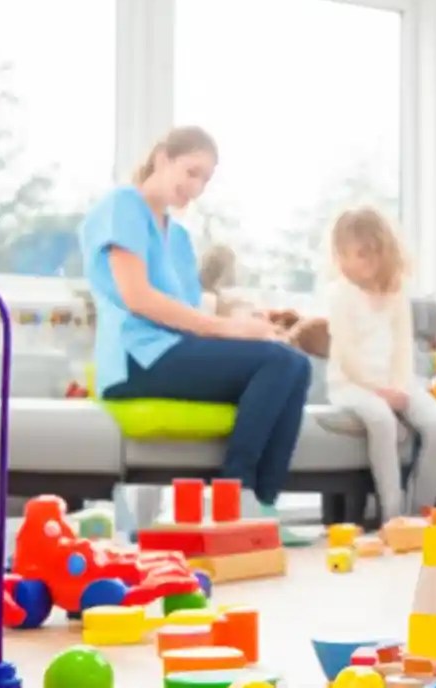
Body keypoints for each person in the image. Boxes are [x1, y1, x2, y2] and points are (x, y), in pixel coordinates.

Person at [79, 126, 312, 516]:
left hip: (172, 350)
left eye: (205, 179)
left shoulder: (181, 239)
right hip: (135, 358)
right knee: (278, 363)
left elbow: (190, 315)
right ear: (162, 159)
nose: (197, 186)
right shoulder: (124, 205)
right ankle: (234, 501)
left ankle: (262, 506)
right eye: (192, 172)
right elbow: (138, 298)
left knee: (296, 364)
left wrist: (247, 324)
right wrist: (230, 331)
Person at [324, 206, 436, 523]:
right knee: (382, 420)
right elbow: (348, 356)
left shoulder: (396, 294)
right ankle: (391, 515)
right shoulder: (340, 295)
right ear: (341, 256)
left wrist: (397, 386)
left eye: (373, 253)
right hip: (351, 385)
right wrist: (379, 391)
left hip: (396, 382)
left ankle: (421, 511)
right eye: (358, 254)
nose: (367, 262)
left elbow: (402, 348)